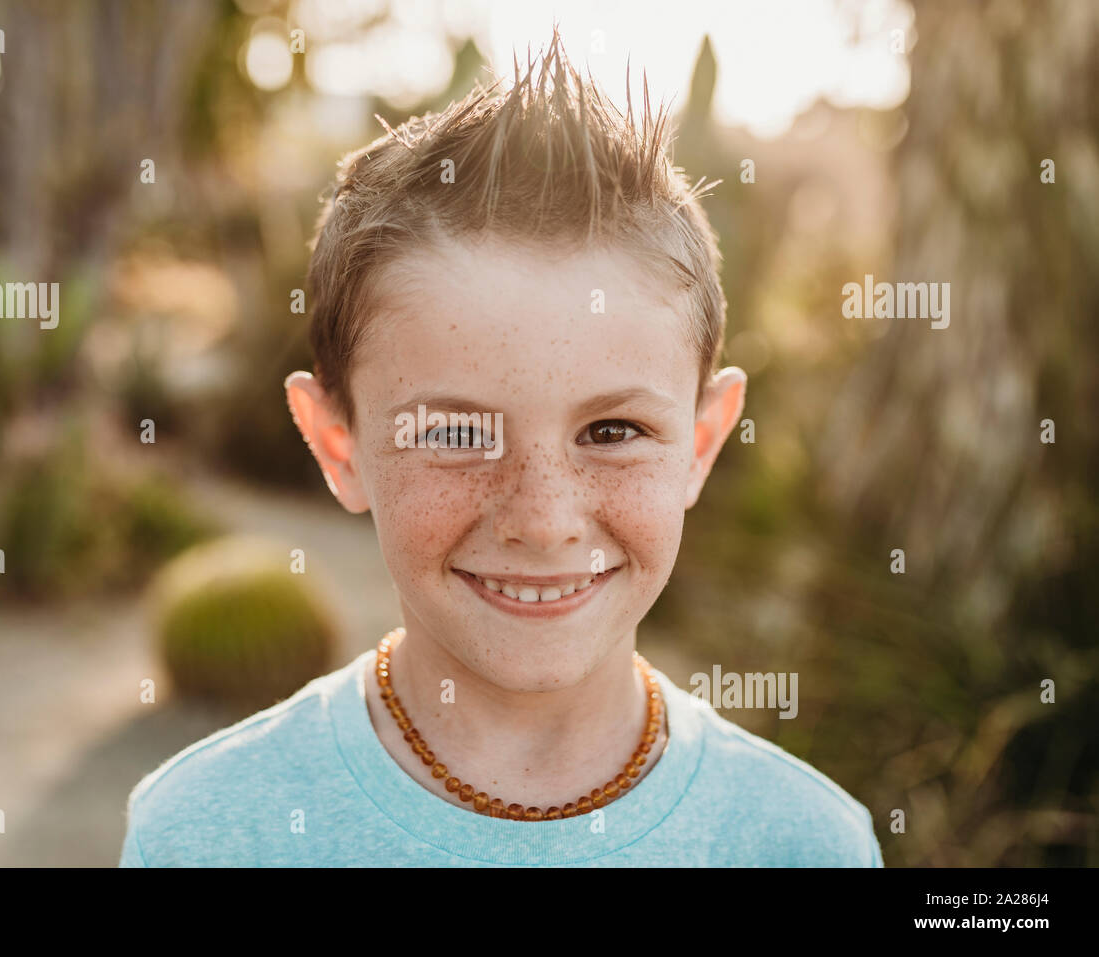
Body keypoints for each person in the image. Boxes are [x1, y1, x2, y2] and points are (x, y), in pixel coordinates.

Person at [119, 31, 882, 867]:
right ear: (338, 444)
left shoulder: (805, 843)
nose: (544, 519)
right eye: (454, 432)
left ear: (700, 442)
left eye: (613, 431)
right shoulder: (208, 833)